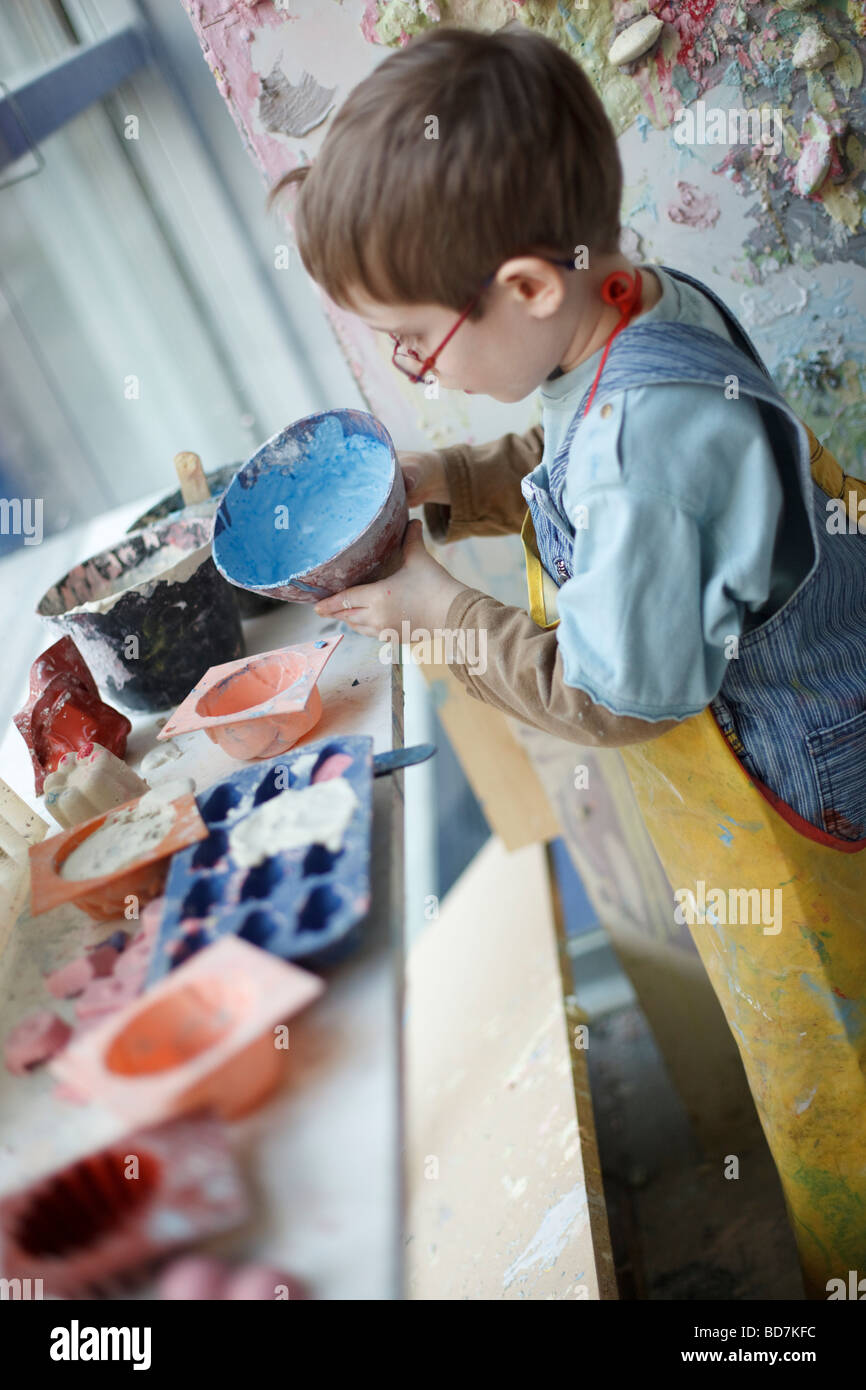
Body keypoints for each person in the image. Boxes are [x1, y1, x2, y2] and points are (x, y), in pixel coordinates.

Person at [270, 25, 866, 1298]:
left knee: (835, 1065)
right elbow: (568, 482)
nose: (405, 368)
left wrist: (432, 609)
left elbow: (609, 693)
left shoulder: (644, 444)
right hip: (805, 720)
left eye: (413, 344)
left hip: (798, 796)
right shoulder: (626, 305)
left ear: (530, 288)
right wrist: (454, 483)